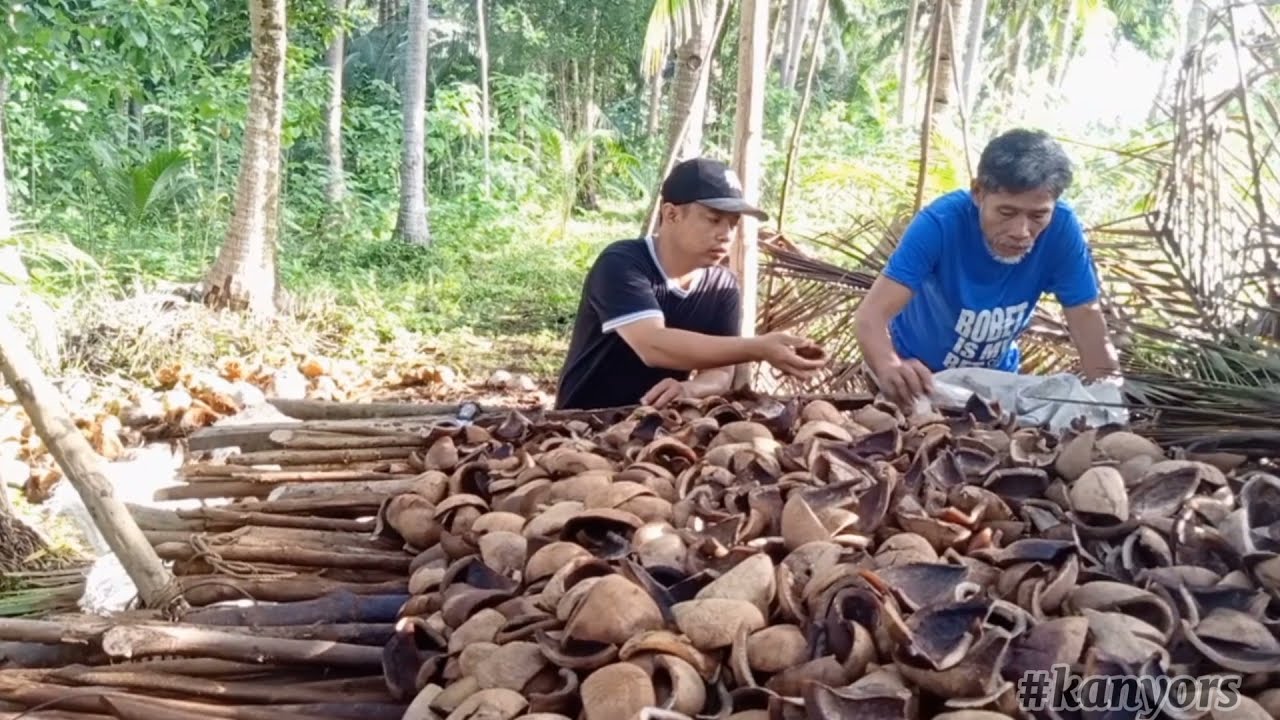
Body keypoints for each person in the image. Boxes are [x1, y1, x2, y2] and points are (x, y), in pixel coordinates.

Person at [853, 128, 1120, 405]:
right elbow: (870, 317)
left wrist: (1111, 401)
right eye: (1006, 212)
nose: (1021, 231)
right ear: (978, 193)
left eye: (1038, 215)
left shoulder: (1062, 230)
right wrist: (890, 367)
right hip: (917, 380)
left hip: (994, 385)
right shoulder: (940, 224)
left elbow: (1088, 320)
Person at [554, 157, 827, 411]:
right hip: (582, 422)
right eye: (714, 219)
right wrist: (759, 348)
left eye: (733, 224)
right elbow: (652, 344)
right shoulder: (622, 263)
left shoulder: (723, 286)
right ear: (671, 215)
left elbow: (720, 373)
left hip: (659, 427)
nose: (726, 235)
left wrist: (690, 388)